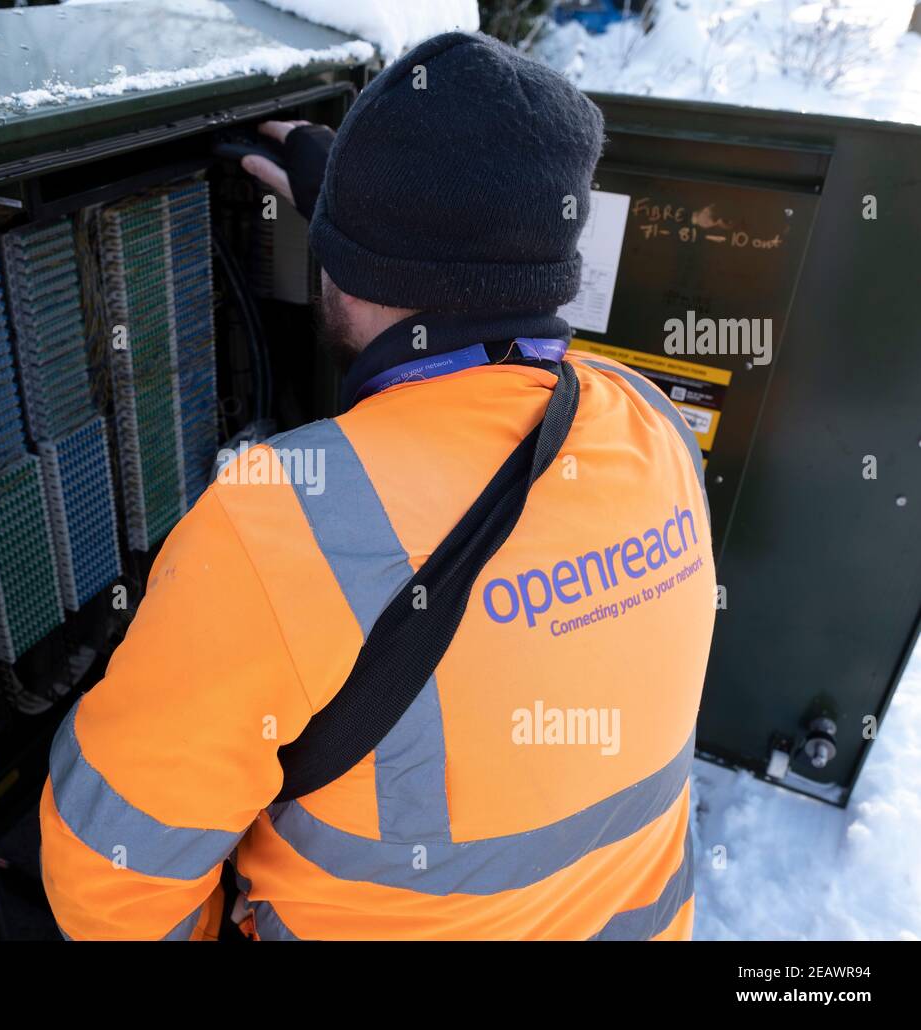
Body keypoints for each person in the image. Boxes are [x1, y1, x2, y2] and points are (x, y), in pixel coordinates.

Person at [39, 30, 715, 940]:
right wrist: (366, 223)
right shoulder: (653, 426)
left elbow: (110, 882)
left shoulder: (276, 526)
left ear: (347, 271)